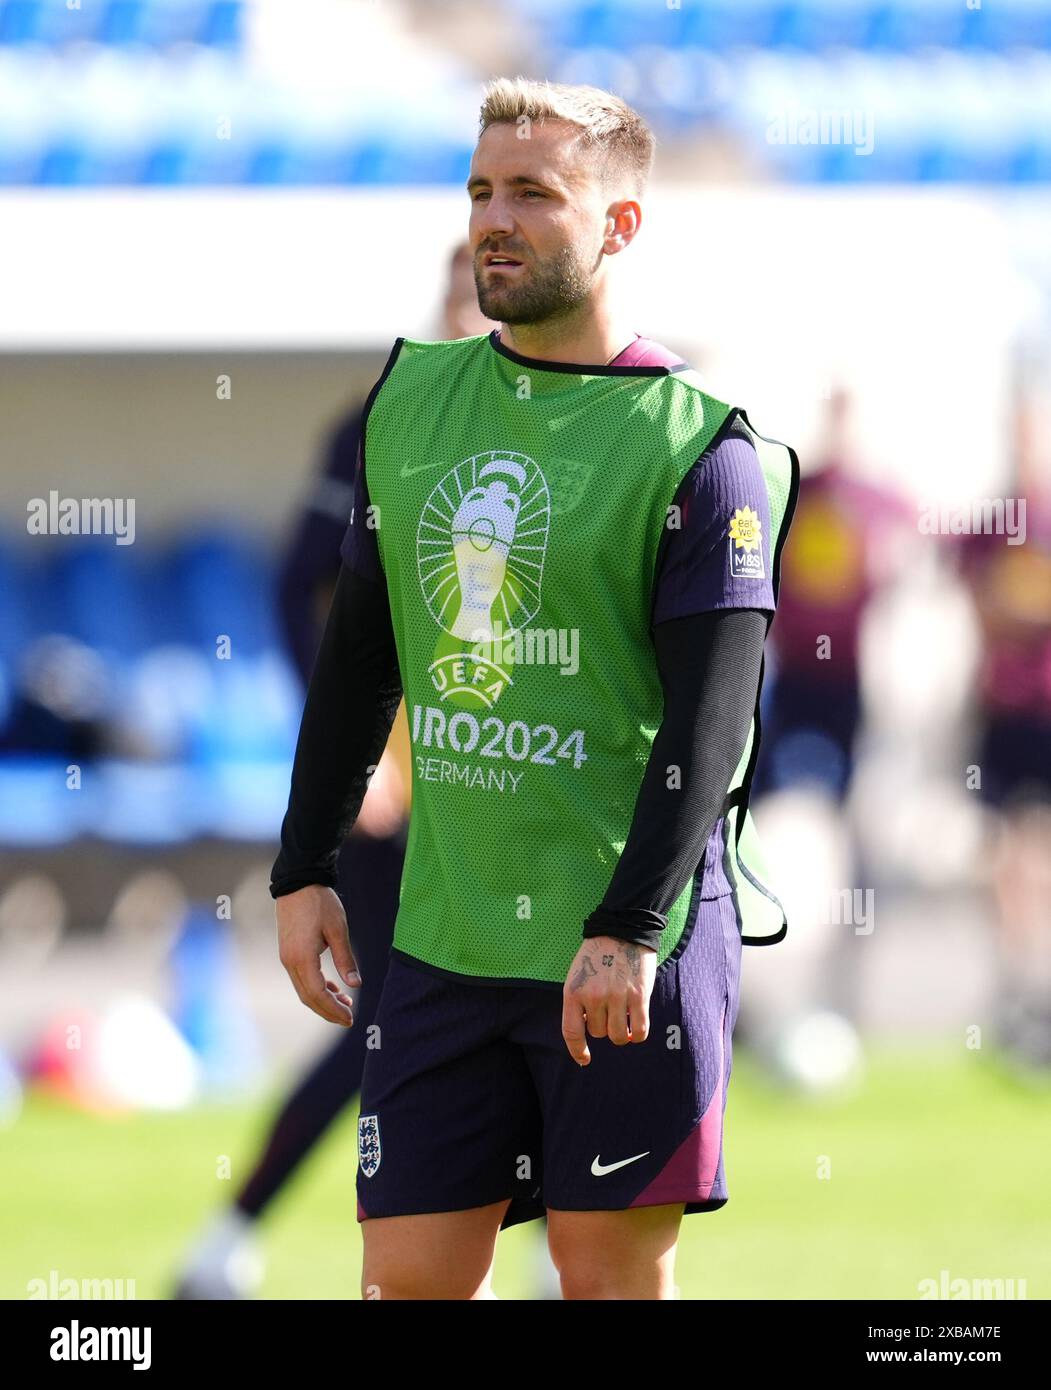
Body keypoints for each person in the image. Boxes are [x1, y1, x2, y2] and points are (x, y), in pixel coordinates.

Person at [270, 77, 797, 1301]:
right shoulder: (407, 401)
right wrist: (303, 866)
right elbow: (360, 656)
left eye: (533, 194)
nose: (492, 221)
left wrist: (625, 933)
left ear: (618, 226)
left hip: (622, 941)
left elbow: (707, 730)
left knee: (601, 1276)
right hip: (445, 942)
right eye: (479, 192)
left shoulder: (703, 447)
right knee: (404, 1279)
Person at [172, 245, 496, 1300]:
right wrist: (354, 753)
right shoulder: (378, 429)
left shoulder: (563, 434)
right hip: (402, 789)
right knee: (382, 1017)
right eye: (463, 295)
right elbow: (294, 588)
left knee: (531, 1008)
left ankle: (528, 1250)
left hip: (520, 784)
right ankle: (233, 1231)